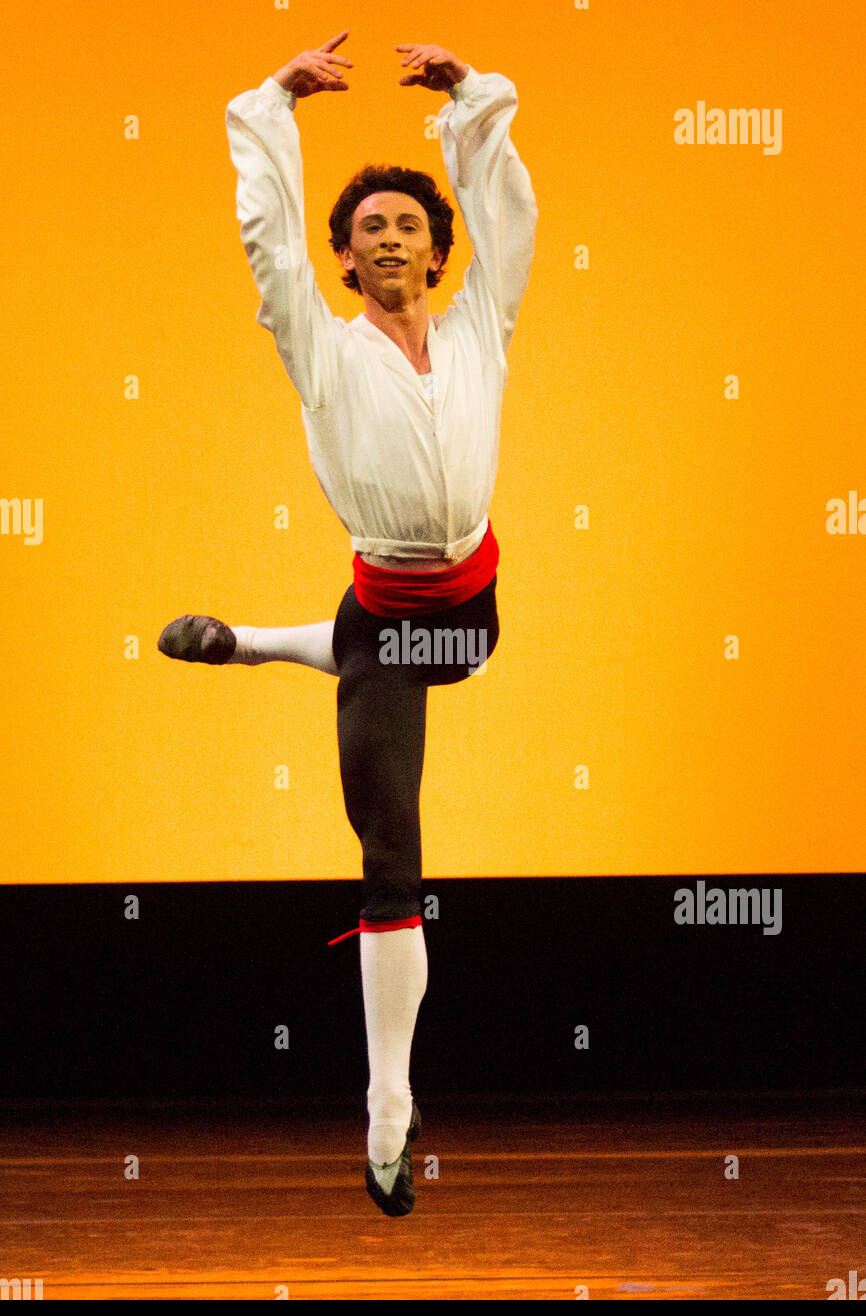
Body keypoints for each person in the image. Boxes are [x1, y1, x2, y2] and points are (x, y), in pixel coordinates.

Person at [158, 30, 537, 1216]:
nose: (387, 238)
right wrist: (271, 100)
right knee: (389, 853)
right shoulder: (317, 346)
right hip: (382, 613)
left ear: (435, 248)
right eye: (366, 227)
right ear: (344, 256)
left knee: (429, 657)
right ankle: (386, 1109)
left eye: (406, 224)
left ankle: (260, 642)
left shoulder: (480, 323)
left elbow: (512, 213)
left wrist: (472, 97)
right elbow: (265, 241)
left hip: (465, 614)